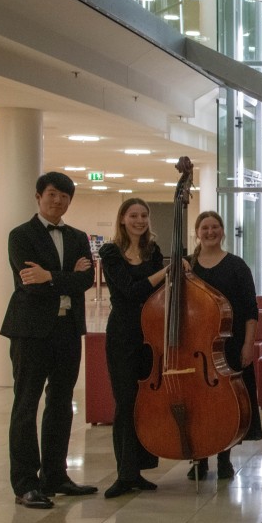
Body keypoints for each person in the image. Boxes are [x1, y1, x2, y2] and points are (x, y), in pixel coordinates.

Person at [1, 172, 96, 509]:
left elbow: (86, 281)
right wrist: (65, 277)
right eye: (52, 194)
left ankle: (55, 475)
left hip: (67, 330)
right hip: (30, 331)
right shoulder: (21, 235)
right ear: (39, 196)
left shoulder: (77, 237)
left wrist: (51, 276)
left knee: (61, 403)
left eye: (64, 196)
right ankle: (25, 483)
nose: (58, 201)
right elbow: (31, 283)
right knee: (25, 406)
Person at [98, 198, 168, 498]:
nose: (140, 220)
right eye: (133, 215)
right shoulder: (110, 252)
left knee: (145, 402)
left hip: (150, 331)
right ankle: (124, 473)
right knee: (125, 401)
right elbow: (129, 291)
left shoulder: (153, 251)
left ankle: (138, 470)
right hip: (123, 333)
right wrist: (165, 271)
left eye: (144, 215)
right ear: (123, 219)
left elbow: (157, 293)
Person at [187, 211, 262, 480]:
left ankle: (224, 457)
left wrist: (247, 345)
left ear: (223, 231)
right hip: (193, 348)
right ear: (197, 231)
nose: (210, 232)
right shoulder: (187, 265)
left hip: (228, 345)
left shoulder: (236, 265)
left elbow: (251, 310)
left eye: (215, 227)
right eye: (205, 227)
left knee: (225, 404)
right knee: (195, 404)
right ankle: (198, 457)